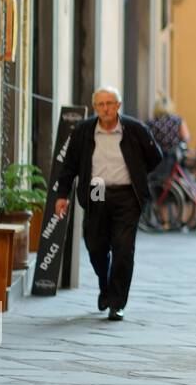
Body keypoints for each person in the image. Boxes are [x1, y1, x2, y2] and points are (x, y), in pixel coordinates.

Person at [54, 86, 163, 321]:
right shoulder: (83, 131)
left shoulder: (134, 129)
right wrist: (62, 195)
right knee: (95, 245)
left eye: (110, 103)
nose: (106, 108)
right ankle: (105, 284)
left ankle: (117, 302)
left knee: (123, 249)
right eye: (101, 104)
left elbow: (156, 156)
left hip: (127, 194)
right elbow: (69, 165)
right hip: (97, 190)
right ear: (95, 108)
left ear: (118, 106)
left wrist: (137, 174)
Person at [147, 95, 191, 179]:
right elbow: (186, 138)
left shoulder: (151, 122)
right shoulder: (178, 120)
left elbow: (147, 141)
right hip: (175, 157)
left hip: (158, 159)